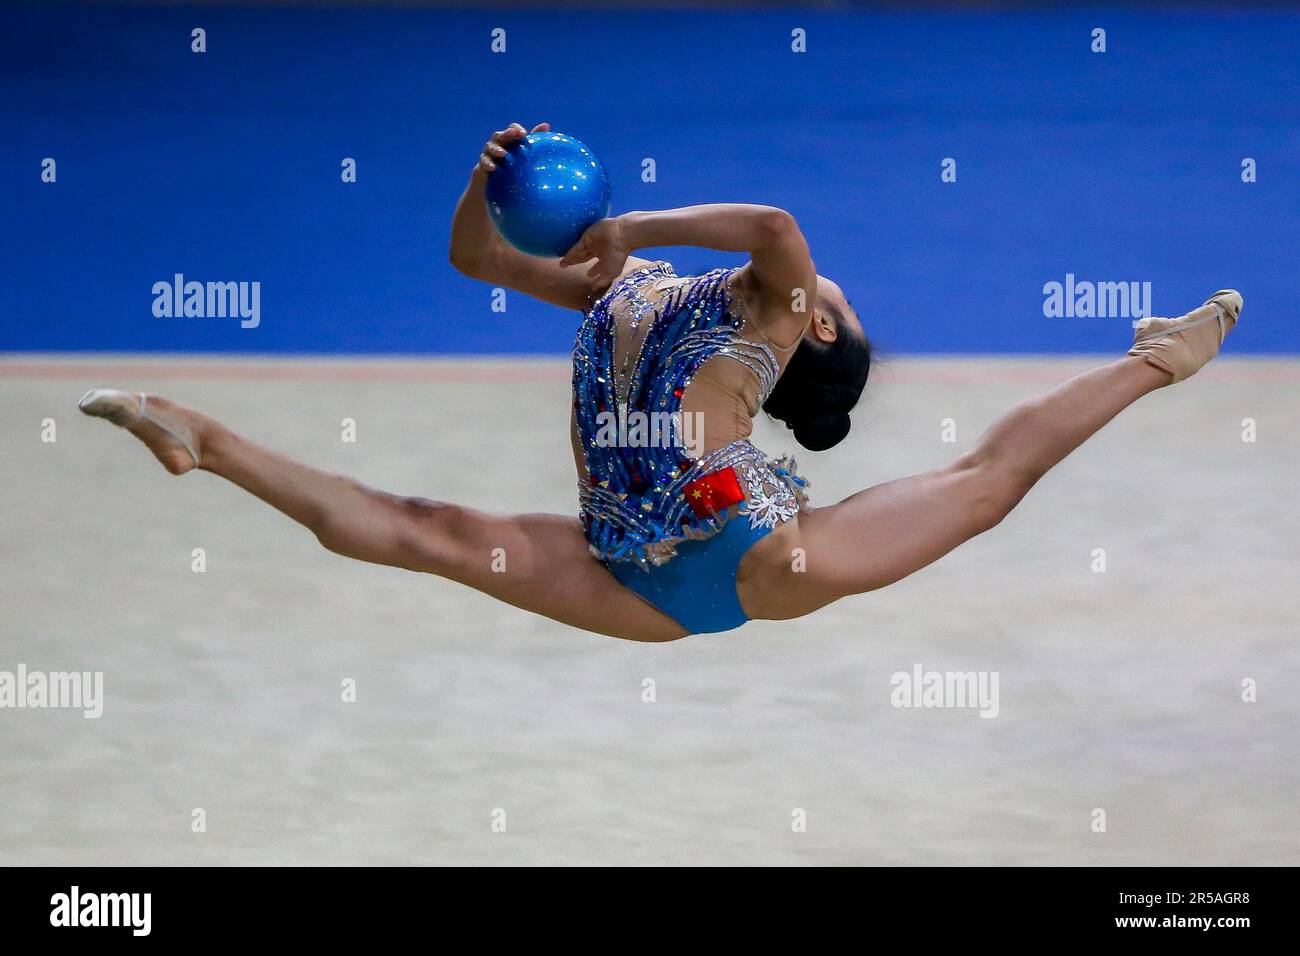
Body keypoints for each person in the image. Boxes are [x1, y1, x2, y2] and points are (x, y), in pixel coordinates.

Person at [79, 122, 1242, 642]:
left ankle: (1156, 358)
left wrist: (633, 219)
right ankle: (200, 436)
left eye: (836, 296)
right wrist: (486, 183)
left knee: (985, 482)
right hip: (626, 573)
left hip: (751, 547)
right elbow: (474, 258)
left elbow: (773, 223)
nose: (828, 283)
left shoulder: (768, 308)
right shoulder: (626, 296)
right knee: (418, 527)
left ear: (815, 323)